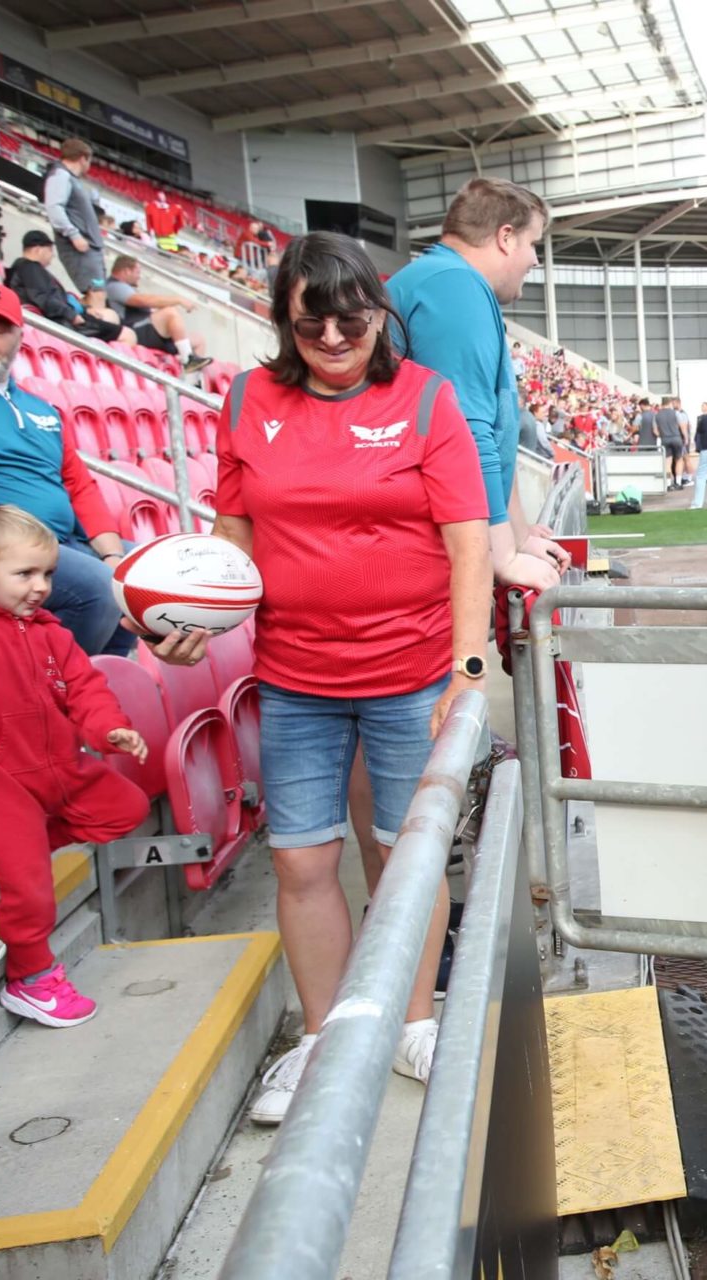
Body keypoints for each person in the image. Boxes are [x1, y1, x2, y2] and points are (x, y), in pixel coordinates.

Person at [211, 232, 492, 1124]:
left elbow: (467, 541)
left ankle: (413, 1020)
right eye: (311, 322)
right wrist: (192, 619)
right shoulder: (248, 398)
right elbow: (233, 536)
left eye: (352, 319)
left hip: (409, 672)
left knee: (401, 853)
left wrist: (468, 666)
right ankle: (320, 1036)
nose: (334, 338)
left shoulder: (424, 398)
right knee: (301, 856)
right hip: (294, 674)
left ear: (380, 313)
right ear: (284, 319)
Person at [0, 504, 151, 1028]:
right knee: (30, 889)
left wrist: (109, 730)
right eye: (24, 574)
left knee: (126, 807)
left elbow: (86, 689)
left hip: (61, 768)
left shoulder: (50, 632)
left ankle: (23, 849)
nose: (40, 587)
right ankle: (31, 977)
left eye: (47, 574)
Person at [387, 178, 564, 592]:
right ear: (505, 237)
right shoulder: (453, 286)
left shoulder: (449, 280)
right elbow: (465, 434)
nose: (535, 260)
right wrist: (500, 555)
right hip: (416, 553)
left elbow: (498, 442)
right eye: (533, 243)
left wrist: (519, 538)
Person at [0, 278, 137, 655]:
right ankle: (51, 694)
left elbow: (79, 486)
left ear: (19, 338)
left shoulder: (43, 410)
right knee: (99, 588)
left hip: (63, 542)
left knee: (142, 576)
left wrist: (113, 556)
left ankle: (103, 685)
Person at [4, 230, 133, 345]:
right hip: (63, 324)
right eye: (50, 250)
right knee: (127, 335)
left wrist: (84, 310)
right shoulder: (30, 268)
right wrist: (72, 315)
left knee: (110, 317)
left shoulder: (24, 268)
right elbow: (44, 299)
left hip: (63, 320)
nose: (52, 256)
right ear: (38, 249)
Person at [105, 256, 212, 372]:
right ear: (126, 271)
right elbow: (143, 300)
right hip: (135, 332)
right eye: (137, 272)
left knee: (199, 340)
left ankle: (193, 383)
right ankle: (188, 360)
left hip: (149, 331)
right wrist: (178, 300)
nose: (139, 277)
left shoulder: (123, 287)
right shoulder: (114, 286)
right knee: (170, 313)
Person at [43, 139, 105, 294]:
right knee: (95, 295)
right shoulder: (60, 175)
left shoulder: (70, 178)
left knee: (99, 294)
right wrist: (74, 235)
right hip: (80, 249)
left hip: (89, 248)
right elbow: (54, 207)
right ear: (83, 158)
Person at [653, 396, 687, 489]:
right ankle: (678, 482)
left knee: (667, 462)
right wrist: (685, 437)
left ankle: (668, 483)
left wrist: (661, 435)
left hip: (665, 439)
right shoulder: (676, 413)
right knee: (679, 460)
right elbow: (682, 426)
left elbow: (655, 431)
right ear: (669, 403)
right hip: (676, 438)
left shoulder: (656, 415)